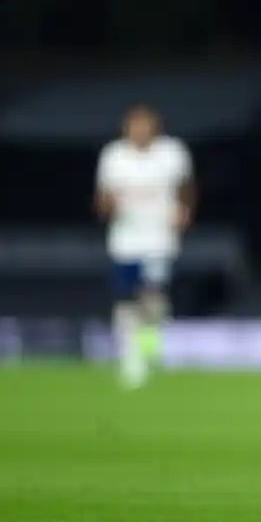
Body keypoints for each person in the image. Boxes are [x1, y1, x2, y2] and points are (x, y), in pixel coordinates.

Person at [94, 104, 195, 389]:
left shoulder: (172, 153)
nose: (138, 132)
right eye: (133, 126)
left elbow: (187, 187)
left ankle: (149, 352)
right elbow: (103, 196)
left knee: (152, 300)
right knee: (126, 301)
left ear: (155, 128)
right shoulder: (114, 156)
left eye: (144, 126)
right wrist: (106, 206)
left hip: (159, 241)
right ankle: (130, 356)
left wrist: (185, 210)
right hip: (125, 242)